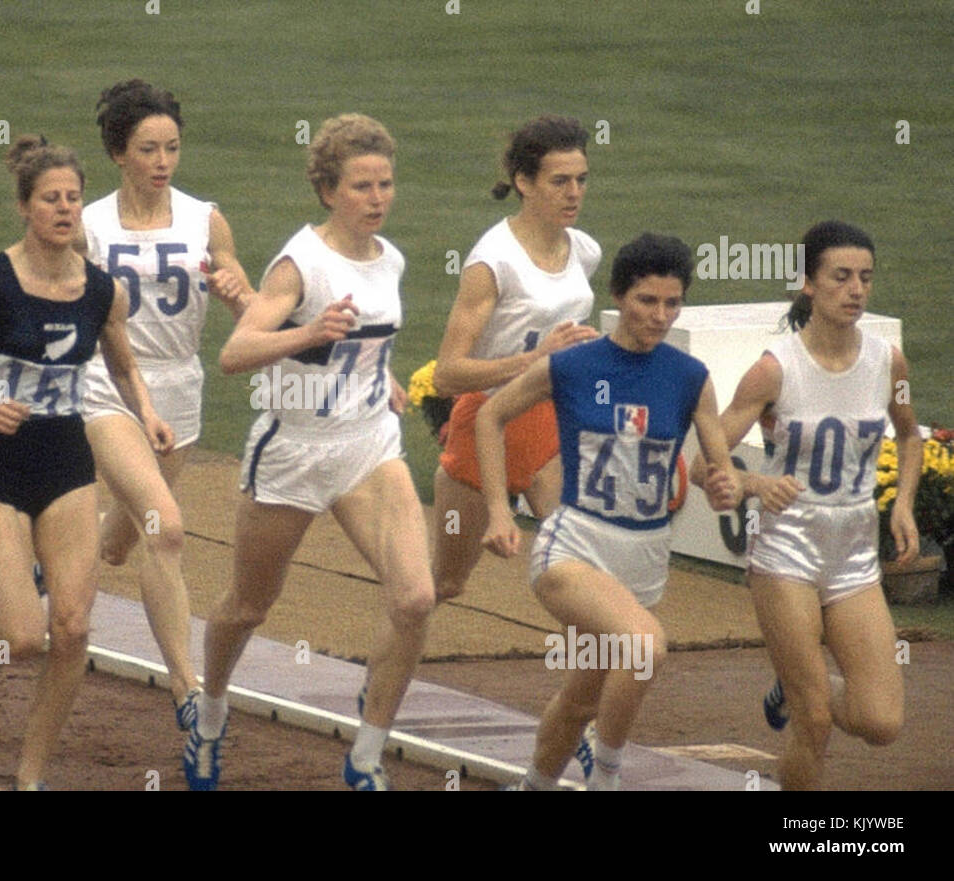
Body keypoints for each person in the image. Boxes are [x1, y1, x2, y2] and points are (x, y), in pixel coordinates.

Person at [0, 135, 171, 790]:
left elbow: (124, 361)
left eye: (73, 197)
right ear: (25, 206)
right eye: (51, 198)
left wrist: (148, 410)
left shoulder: (101, 291)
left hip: (66, 464)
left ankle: (30, 774)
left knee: (73, 627)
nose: (64, 207)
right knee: (21, 639)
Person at [184, 114, 434, 791]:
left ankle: (366, 755)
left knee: (414, 598)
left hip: (368, 447)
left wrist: (378, 375)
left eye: (385, 183)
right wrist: (309, 333)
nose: (377, 197)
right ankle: (208, 713)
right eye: (361, 186)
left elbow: (368, 339)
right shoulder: (300, 263)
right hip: (291, 450)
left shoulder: (393, 260)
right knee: (248, 605)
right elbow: (238, 353)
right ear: (329, 191)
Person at [478, 233, 739, 790]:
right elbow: (490, 416)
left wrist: (728, 487)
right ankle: (609, 779)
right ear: (619, 297)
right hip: (573, 547)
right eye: (648, 301)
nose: (661, 315)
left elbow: (721, 469)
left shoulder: (690, 377)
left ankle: (533, 786)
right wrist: (501, 511)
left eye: (673, 303)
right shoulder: (573, 365)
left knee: (581, 699)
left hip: (644, 562)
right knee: (644, 648)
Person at [698, 220, 916, 790]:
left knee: (881, 722)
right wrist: (752, 485)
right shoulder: (776, 368)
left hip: (854, 552)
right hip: (787, 549)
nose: (856, 290)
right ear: (808, 285)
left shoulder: (887, 362)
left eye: (865, 278)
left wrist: (904, 505)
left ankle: (795, 681)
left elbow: (911, 436)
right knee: (814, 718)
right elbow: (706, 461)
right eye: (841, 277)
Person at [80, 79, 253, 728]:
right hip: (106, 389)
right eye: (148, 149)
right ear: (119, 153)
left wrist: (243, 295)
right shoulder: (89, 223)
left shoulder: (203, 218)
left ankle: (57, 556)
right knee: (167, 526)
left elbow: (244, 299)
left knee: (124, 542)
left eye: (172, 148)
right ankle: (187, 688)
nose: (162, 161)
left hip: (180, 394)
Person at [431, 116, 601, 605]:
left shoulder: (584, 252)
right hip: (488, 424)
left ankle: (589, 675)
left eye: (581, 180)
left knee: (578, 567)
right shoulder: (493, 262)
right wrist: (534, 359)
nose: (574, 192)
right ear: (524, 183)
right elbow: (448, 374)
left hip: (552, 425)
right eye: (560, 181)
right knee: (443, 585)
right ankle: (379, 679)